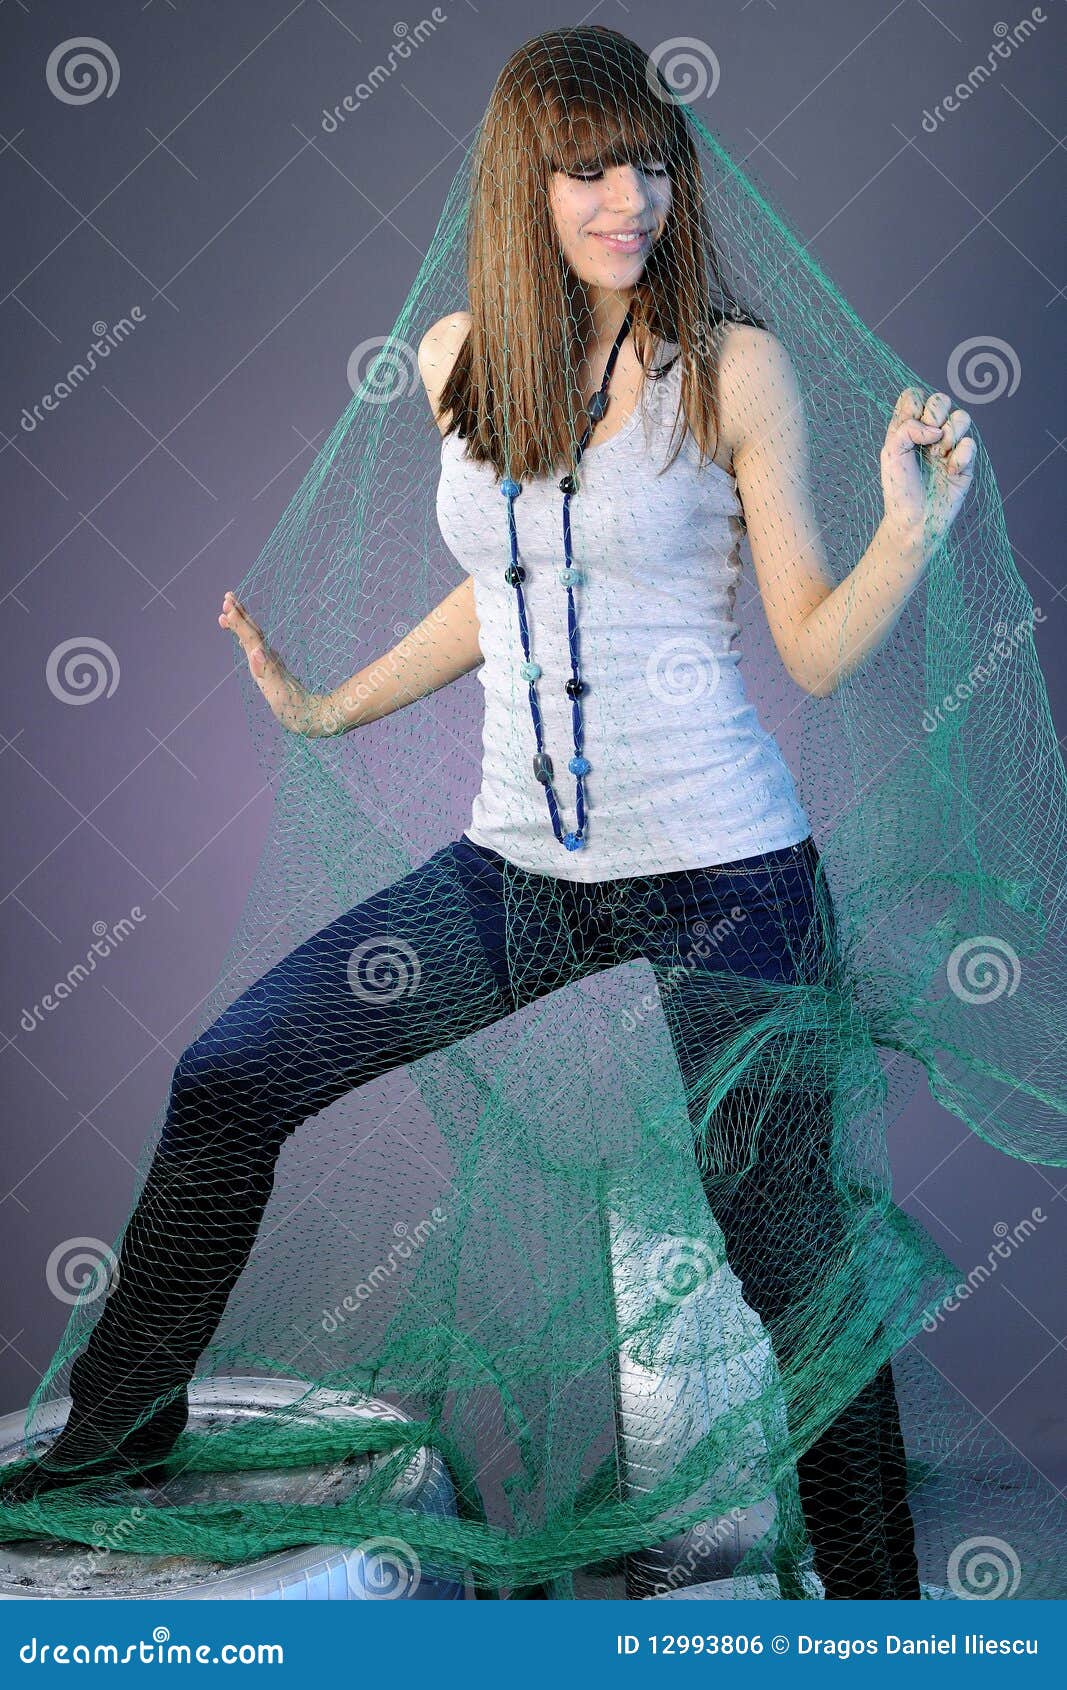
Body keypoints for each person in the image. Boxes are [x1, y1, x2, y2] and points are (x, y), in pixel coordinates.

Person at [0, 26, 983, 1602]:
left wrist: (910, 535)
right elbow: (502, 597)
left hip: (728, 875)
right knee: (231, 1075)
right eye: (589, 166)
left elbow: (805, 636)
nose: (628, 197)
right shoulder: (464, 358)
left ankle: (879, 1612)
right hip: (519, 871)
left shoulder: (734, 370)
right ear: (521, 182)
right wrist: (325, 704)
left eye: (649, 162)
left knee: (787, 1251)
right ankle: (113, 1446)